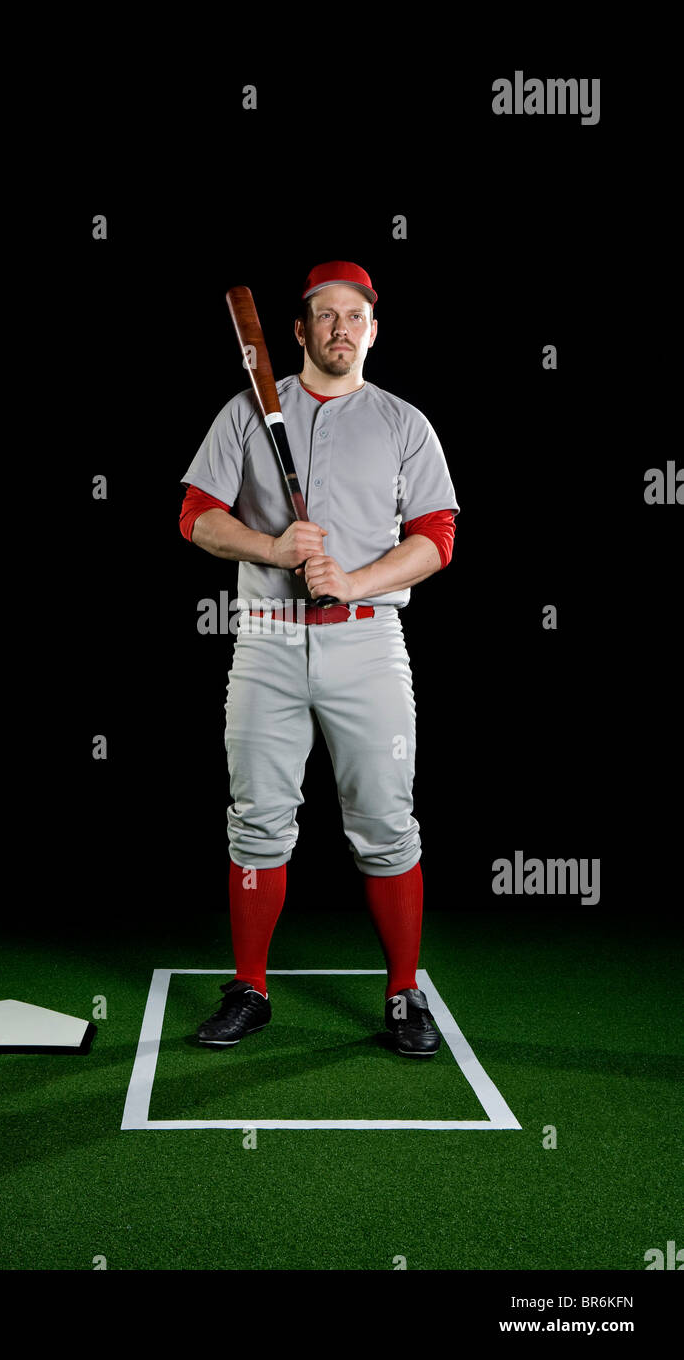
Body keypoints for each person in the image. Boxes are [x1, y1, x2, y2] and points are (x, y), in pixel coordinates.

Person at [179, 261, 459, 1056]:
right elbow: (195, 516)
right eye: (325, 315)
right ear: (297, 331)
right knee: (258, 822)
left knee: (385, 824)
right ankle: (250, 988)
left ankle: (403, 994)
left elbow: (438, 538)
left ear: (374, 330)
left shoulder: (405, 423)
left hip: (369, 642)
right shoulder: (245, 411)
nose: (341, 327)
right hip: (266, 638)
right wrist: (270, 544)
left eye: (356, 316)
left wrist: (355, 578)